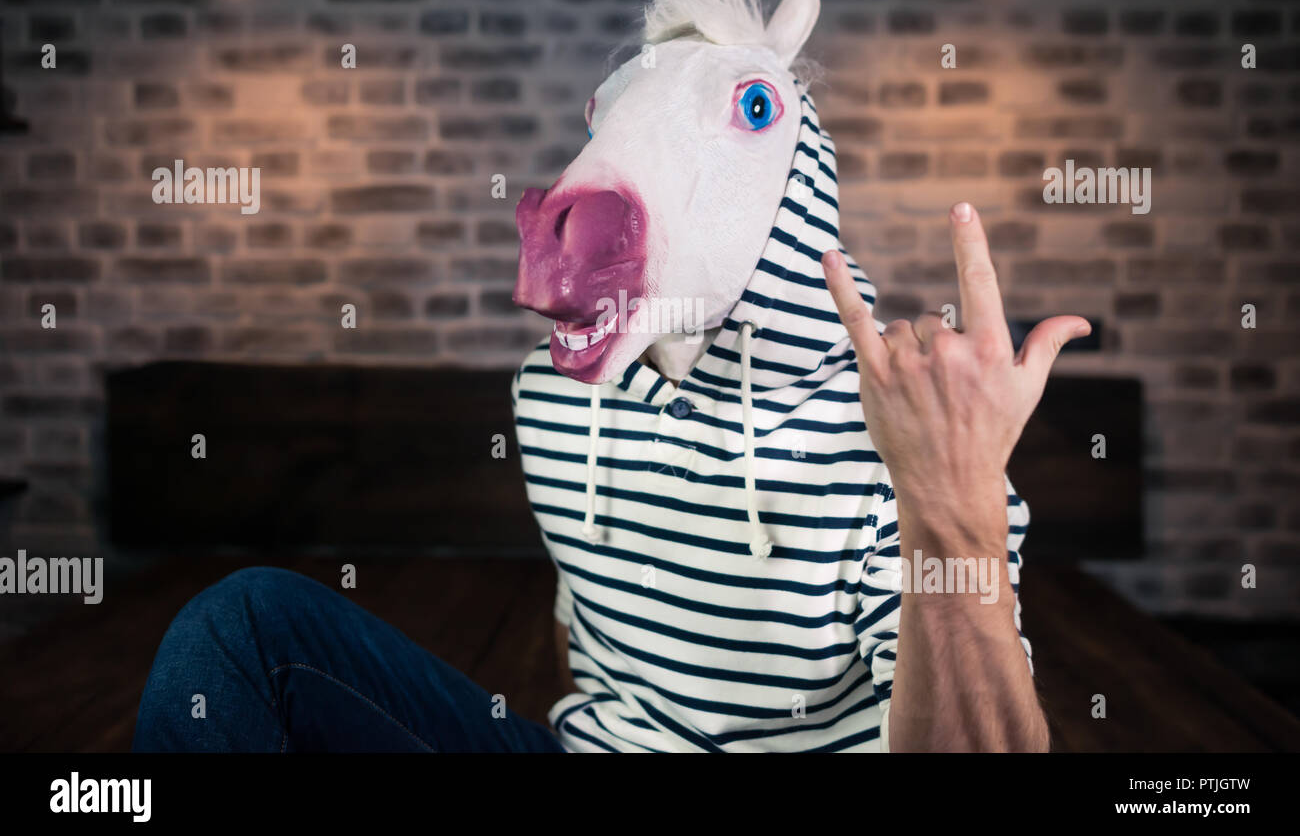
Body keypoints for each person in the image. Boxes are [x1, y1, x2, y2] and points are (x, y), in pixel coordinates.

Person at [132, 201, 1087, 752]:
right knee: (245, 628)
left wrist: (950, 501)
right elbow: (583, 636)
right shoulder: (556, 394)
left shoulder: (895, 436)